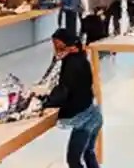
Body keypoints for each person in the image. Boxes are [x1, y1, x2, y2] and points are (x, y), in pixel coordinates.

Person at [43, 29, 102, 168]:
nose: (56, 50)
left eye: (58, 46)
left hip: (83, 119)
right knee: (88, 153)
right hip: (93, 114)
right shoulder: (81, 57)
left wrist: (46, 102)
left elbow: (65, 90)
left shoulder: (71, 63)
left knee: (74, 160)